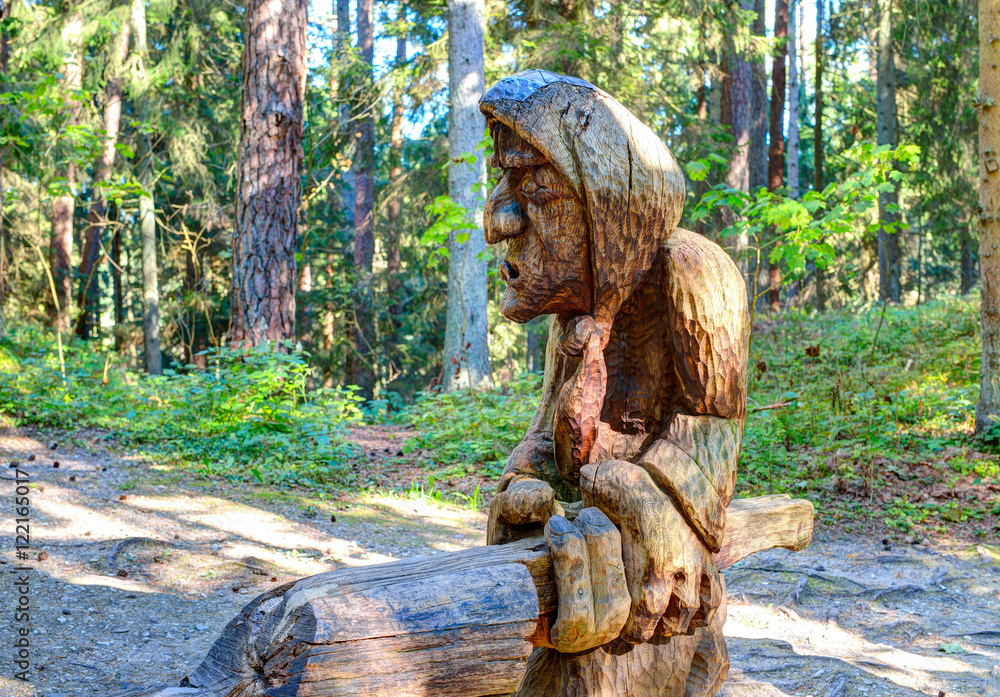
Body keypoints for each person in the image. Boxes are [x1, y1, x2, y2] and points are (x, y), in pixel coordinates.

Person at [480, 70, 750, 696]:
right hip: (585, 543)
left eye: (537, 194)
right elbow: (548, 432)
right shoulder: (578, 312)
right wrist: (527, 483)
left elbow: (711, 426)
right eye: (503, 185)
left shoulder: (691, 272)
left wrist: (656, 502)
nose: (497, 220)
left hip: (647, 561)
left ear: (610, 206)